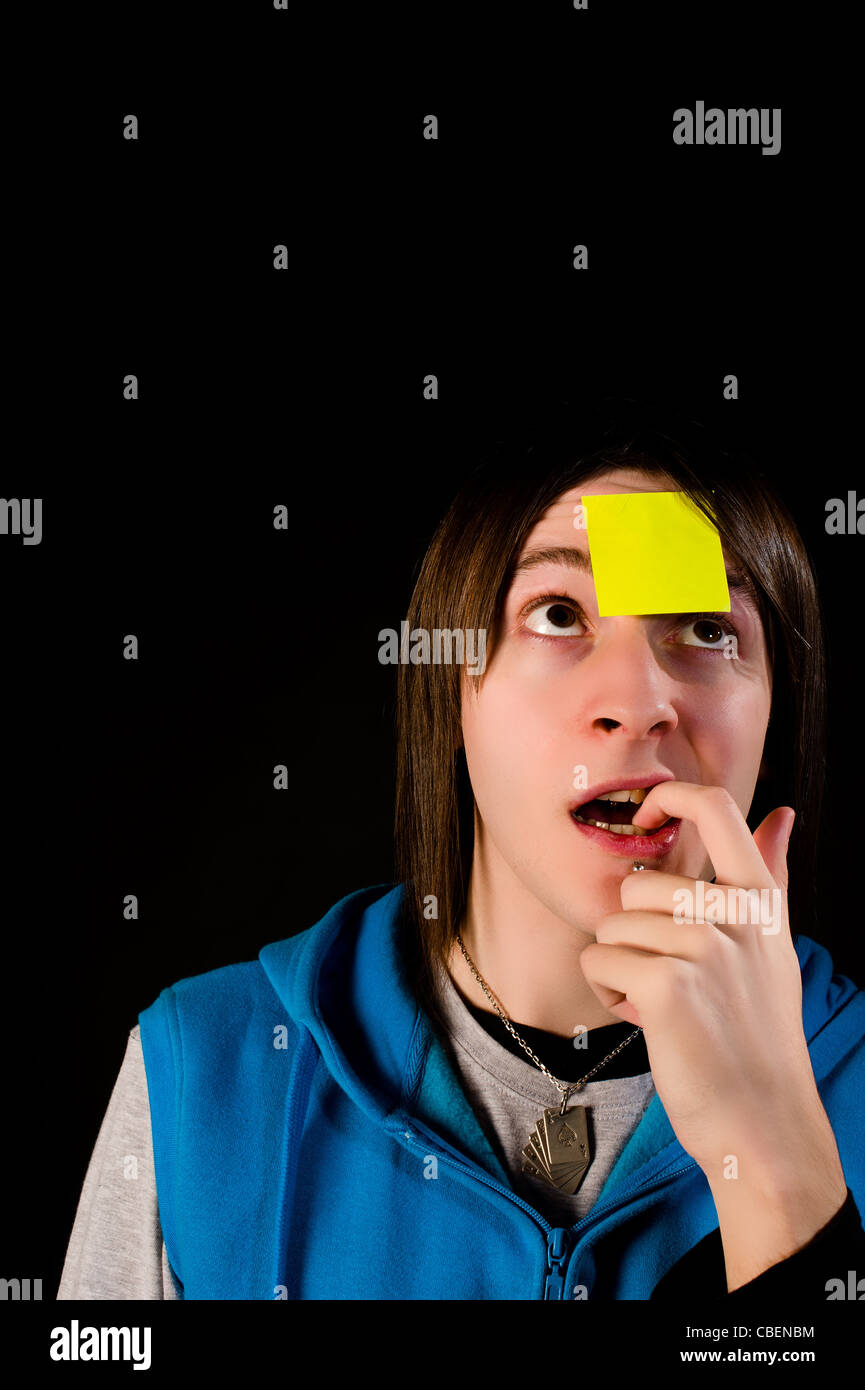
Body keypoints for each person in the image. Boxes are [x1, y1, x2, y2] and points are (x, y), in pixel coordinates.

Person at [58, 405, 865, 1300]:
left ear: (772, 716)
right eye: (557, 613)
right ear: (455, 691)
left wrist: (780, 1170)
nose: (639, 702)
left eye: (707, 630)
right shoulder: (200, 1071)